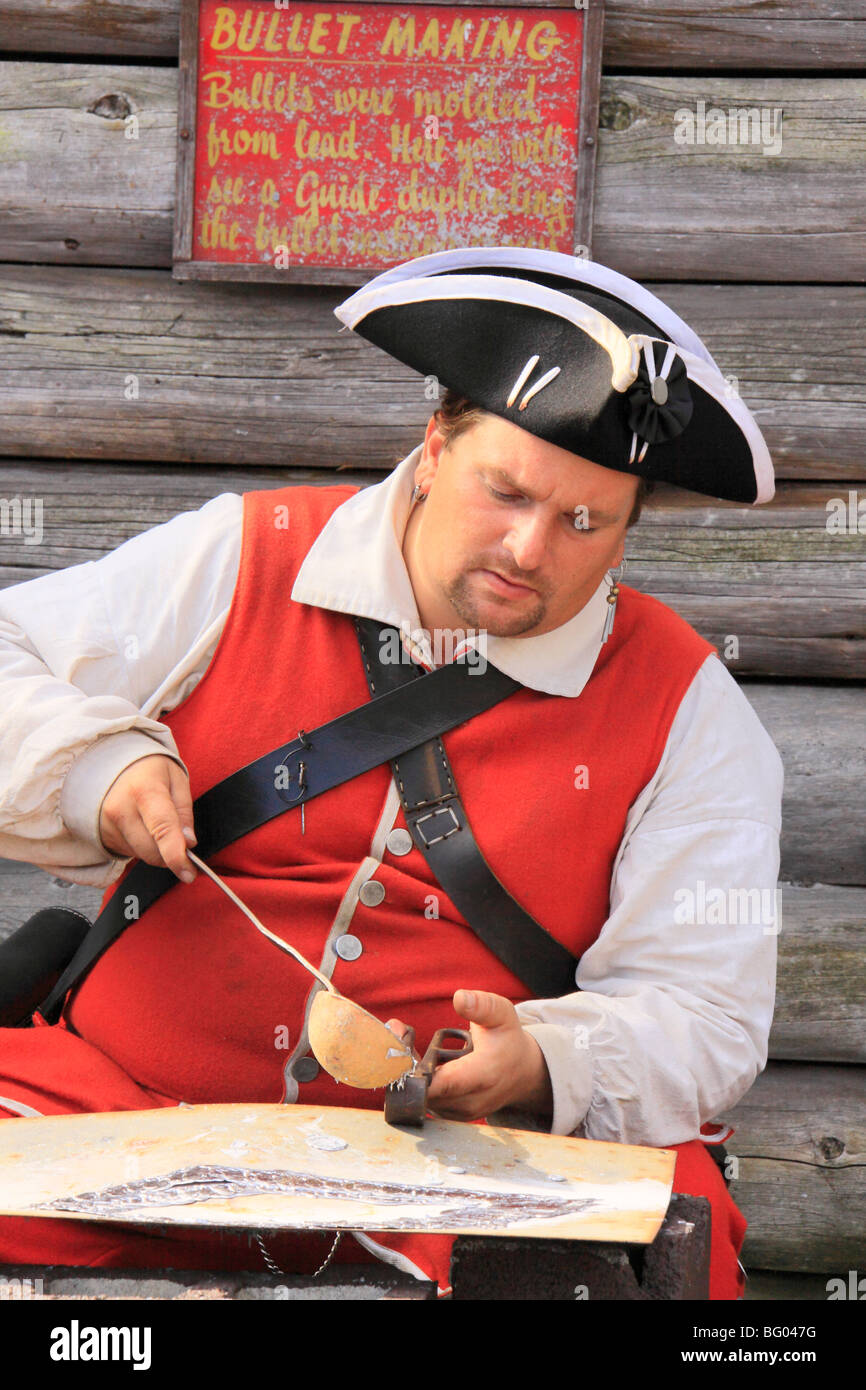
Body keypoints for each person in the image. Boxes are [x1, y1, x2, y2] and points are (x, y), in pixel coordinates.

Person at [0, 246, 783, 1298]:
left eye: (582, 522)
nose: (527, 547)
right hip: (116, 1107)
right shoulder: (245, 553)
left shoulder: (687, 705)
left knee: (628, 1254)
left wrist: (548, 1063)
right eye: (503, 491)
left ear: (625, 530)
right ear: (431, 447)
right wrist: (94, 764)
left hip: (459, 1175)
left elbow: (704, 1012)